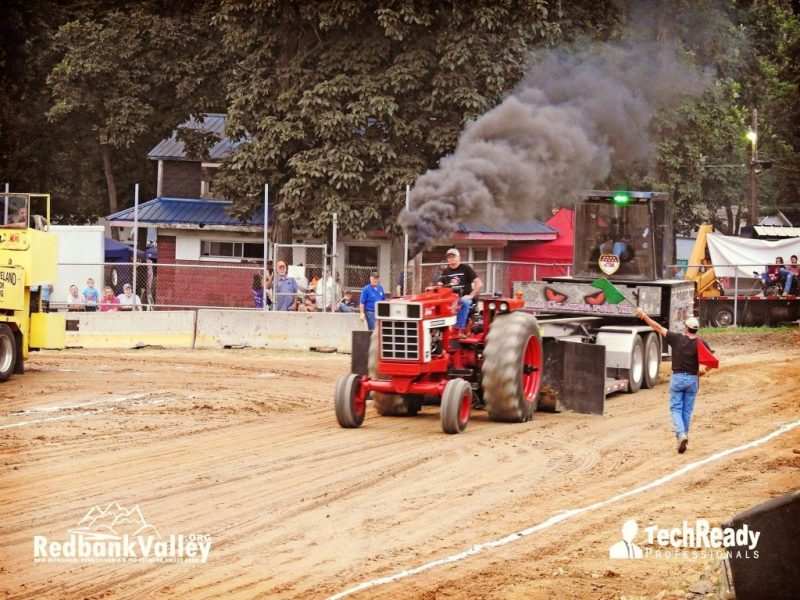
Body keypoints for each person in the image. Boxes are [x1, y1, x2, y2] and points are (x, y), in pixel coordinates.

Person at [634, 309, 715, 454]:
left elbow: (657, 327)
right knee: (687, 411)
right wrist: (704, 371)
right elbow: (711, 361)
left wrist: (644, 316)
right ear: (696, 330)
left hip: (677, 378)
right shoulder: (701, 343)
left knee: (676, 409)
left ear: (686, 328)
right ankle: (684, 435)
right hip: (692, 380)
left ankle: (681, 435)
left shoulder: (677, 338)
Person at [437, 248, 483, 333]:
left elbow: (479, 284)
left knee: (464, 302)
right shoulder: (445, 271)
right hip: (450, 299)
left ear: (458, 258)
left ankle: (459, 328)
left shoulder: (466, 268)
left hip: (463, 297)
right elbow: (440, 285)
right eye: (449, 257)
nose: (450, 259)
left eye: (453, 257)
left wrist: (471, 295)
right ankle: (439, 330)